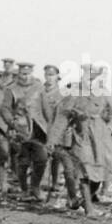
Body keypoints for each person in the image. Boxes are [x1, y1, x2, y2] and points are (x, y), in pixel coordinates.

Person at [56, 65, 112, 217]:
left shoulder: (103, 94)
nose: (89, 81)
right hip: (81, 136)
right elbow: (63, 116)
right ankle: (89, 208)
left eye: (93, 78)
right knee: (84, 171)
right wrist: (57, 137)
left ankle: (86, 199)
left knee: (98, 173)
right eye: (87, 77)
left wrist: (111, 128)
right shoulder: (75, 92)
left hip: (99, 138)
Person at [6, 62, 49, 201]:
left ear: (32, 73)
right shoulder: (11, 89)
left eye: (28, 74)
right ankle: (24, 190)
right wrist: (12, 123)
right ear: (18, 74)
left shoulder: (39, 88)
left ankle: (35, 188)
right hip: (20, 130)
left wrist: (51, 126)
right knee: (23, 161)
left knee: (41, 159)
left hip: (38, 130)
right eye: (23, 74)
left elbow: (46, 109)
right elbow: (4, 109)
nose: (25, 77)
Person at [39, 64, 65, 199]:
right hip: (40, 128)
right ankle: (38, 184)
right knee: (39, 157)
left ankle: (54, 182)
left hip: (54, 129)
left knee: (56, 158)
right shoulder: (39, 91)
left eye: (52, 75)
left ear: (57, 77)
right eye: (47, 75)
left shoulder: (61, 94)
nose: (49, 78)